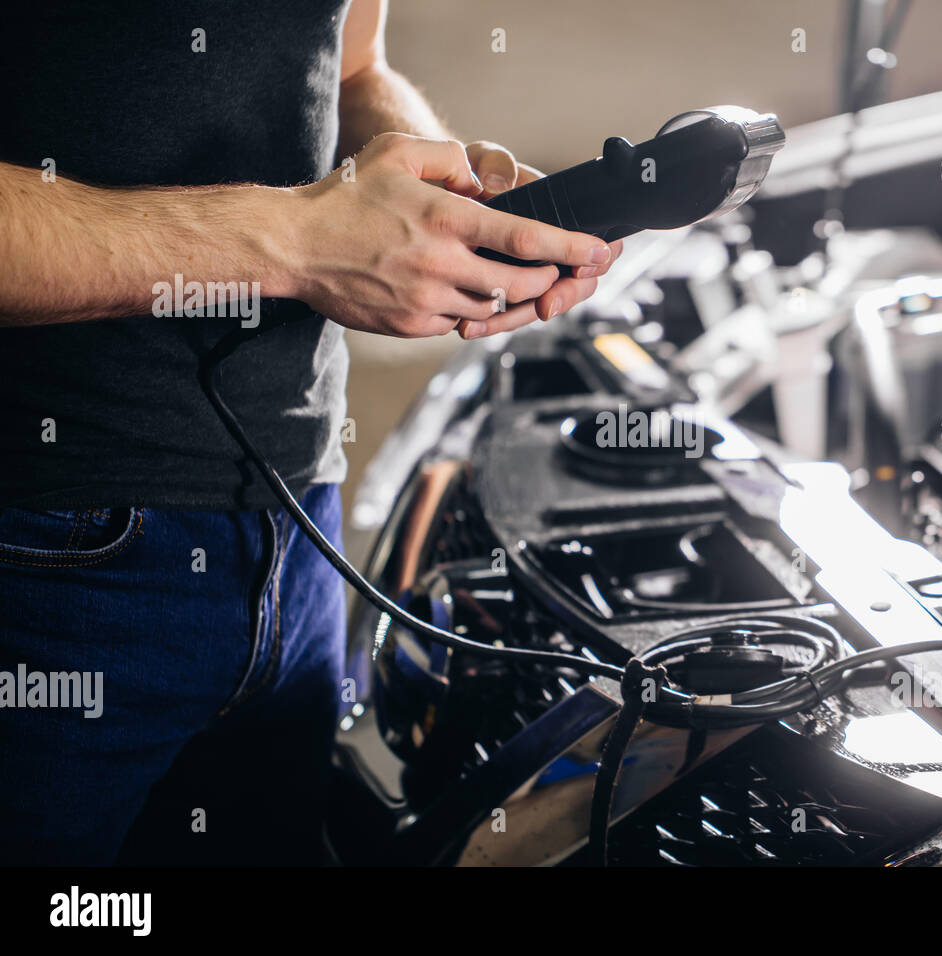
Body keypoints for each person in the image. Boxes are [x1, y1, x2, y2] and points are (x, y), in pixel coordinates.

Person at [0, 0, 621, 865]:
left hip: (296, 523)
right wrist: (298, 240)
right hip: (42, 547)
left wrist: (447, 203)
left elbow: (353, 63)